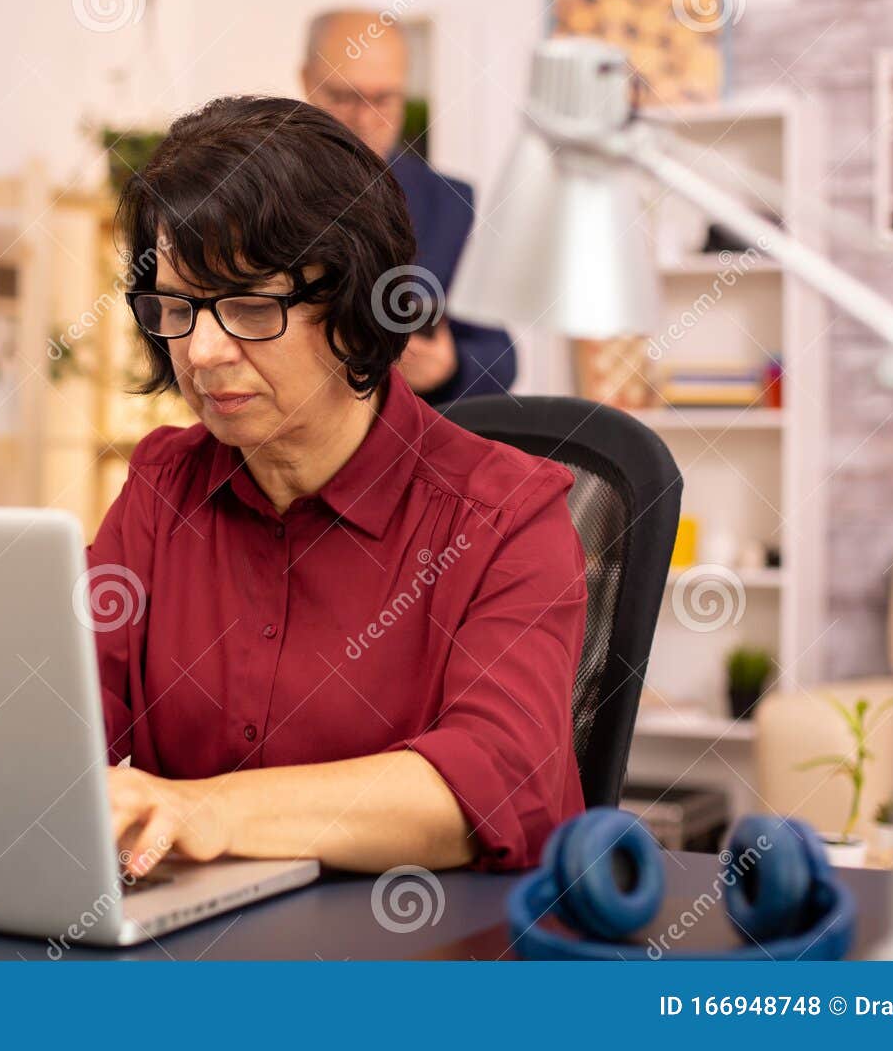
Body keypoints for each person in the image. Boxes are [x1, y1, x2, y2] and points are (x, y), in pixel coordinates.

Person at [89, 96, 586, 879]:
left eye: (252, 307)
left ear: (356, 306)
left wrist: (208, 809)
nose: (203, 350)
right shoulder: (162, 487)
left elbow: (490, 780)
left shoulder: (508, 516)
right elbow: (64, 710)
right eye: (177, 308)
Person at [300, 9, 516, 403]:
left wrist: (448, 366)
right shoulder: (258, 194)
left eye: (383, 98)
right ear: (307, 82)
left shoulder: (446, 202)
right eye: (344, 97)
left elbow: (500, 358)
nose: (363, 118)